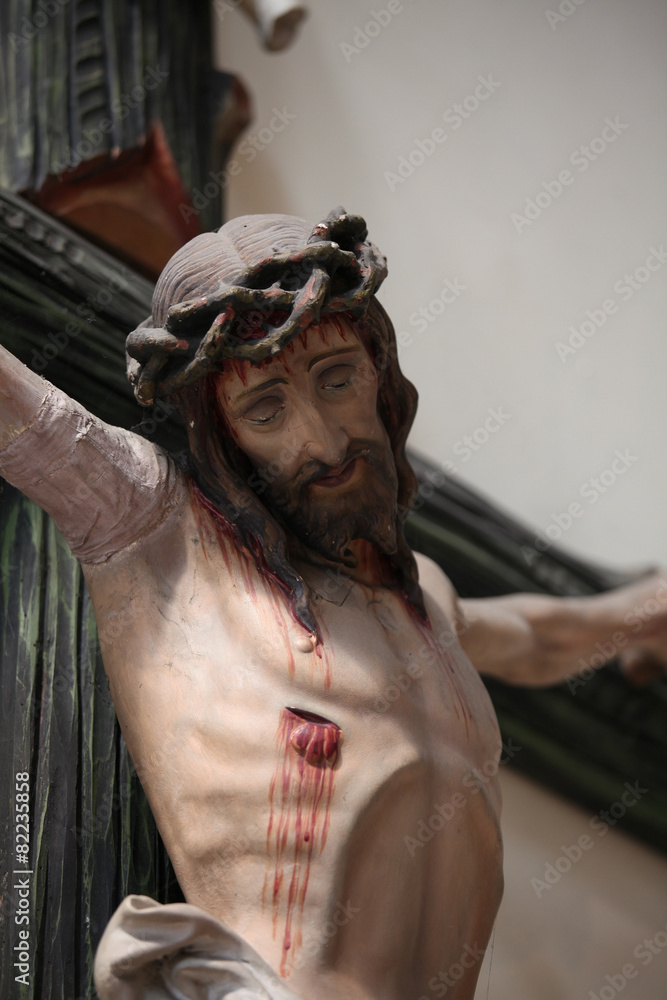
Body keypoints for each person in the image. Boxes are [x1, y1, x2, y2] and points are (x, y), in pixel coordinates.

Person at [1, 208, 665, 1000]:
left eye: (337, 377)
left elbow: (531, 637)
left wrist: (645, 611)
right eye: (265, 409)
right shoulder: (160, 539)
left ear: (381, 374)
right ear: (221, 436)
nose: (320, 439)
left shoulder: (420, 598)